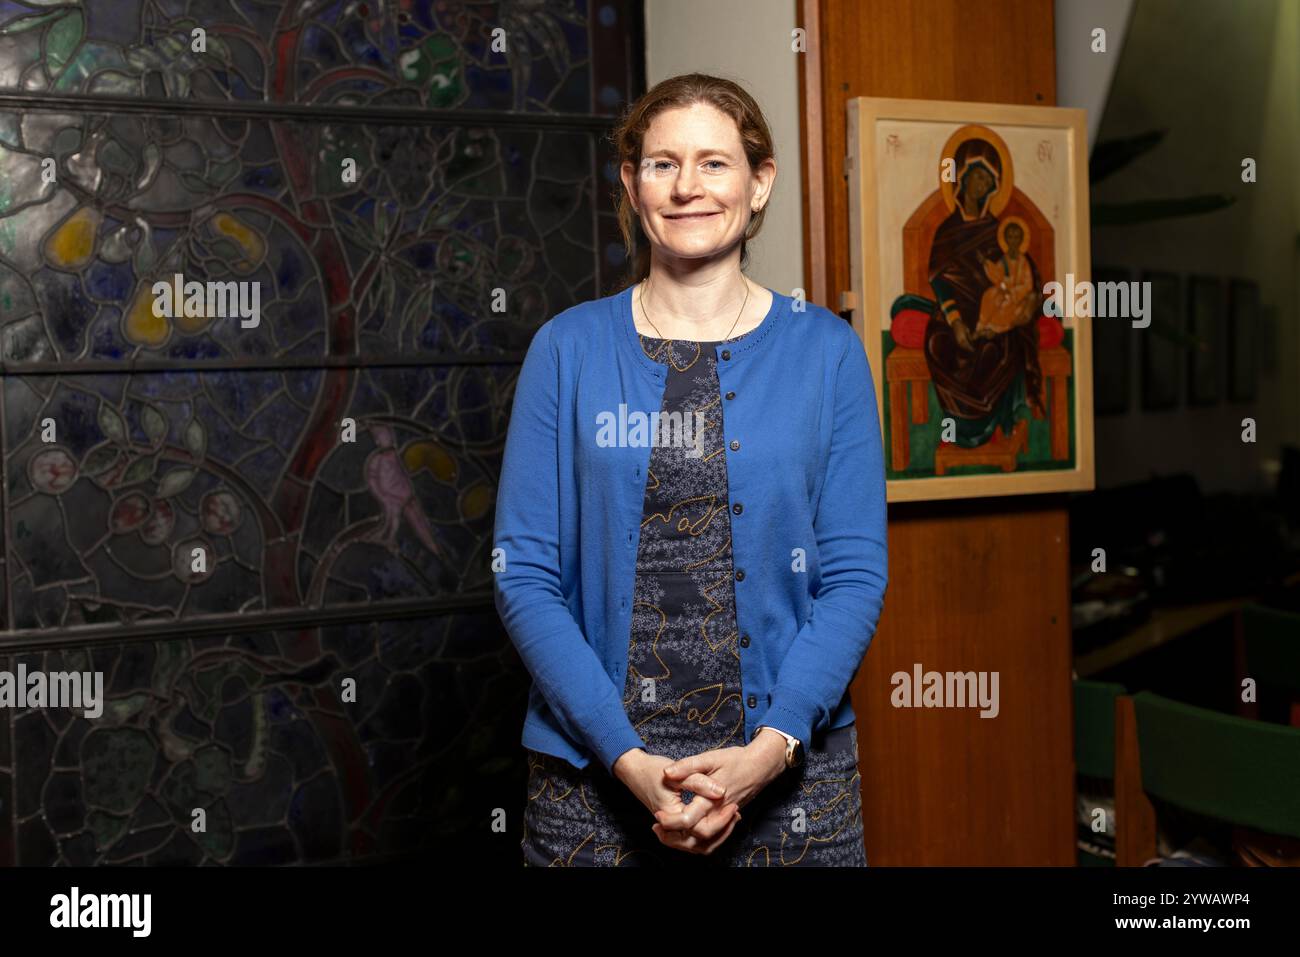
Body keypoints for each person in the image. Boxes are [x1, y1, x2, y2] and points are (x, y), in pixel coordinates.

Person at [493, 73, 888, 866]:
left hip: (792, 787)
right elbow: (523, 573)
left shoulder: (828, 352)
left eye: (714, 163)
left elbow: (853, 574)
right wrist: (628, 760)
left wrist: (769, 751)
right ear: (633, 187)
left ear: (759, 181)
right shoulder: (565, 350)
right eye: (661, 164)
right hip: (593, 788)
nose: (687, 187)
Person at [923, 139, 1044, 449]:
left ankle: (994, 428)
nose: (983, 184)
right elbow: (938, 280)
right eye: (978, 175)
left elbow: (1026, 272)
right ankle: (952, 431)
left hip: (996, 317)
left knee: (993, 350)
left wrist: (1031, 299)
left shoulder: (999, 231)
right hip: (955, 316)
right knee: (938, 343)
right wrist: (956, 321)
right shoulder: (947, 232)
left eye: (990, 180)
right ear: (962, 176)